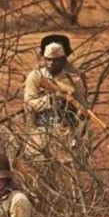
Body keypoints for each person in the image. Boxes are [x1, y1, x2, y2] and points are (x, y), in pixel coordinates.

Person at [22, 37, 89, 167]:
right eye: (48, 60)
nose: (51, 64)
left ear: (63, 60)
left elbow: (83, 109)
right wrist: (52, 99)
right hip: (39, 135)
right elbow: (29, 104)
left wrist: (79, 116)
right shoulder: (35, 77)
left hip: (65, 136)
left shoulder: (74, 80)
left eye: (56, 60)